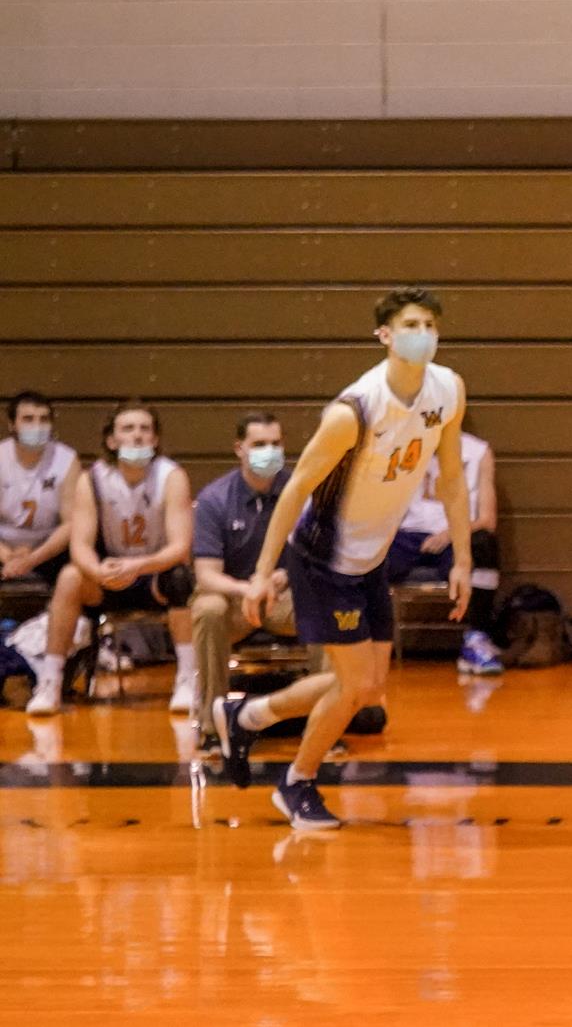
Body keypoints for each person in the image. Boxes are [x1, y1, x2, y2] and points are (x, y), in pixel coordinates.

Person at [213, 287, 471, 830]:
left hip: (370, 557)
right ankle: (297, 783)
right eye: (409, 323)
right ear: (384, 335)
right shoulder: (354, 410)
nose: (421, 332)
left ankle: (247, 714)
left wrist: (462, 560)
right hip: (324, 560)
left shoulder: (448, 389)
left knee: (368, 688)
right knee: (354, 686)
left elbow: (450, 476)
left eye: (429, 323)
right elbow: (294, 489)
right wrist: (262, 574)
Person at [29, 401, 196, 717]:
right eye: (128, 429)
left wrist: (139, 566)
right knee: (69, 577)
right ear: (111, 440)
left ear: (156, 439)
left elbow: (180, 548)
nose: (137, 436)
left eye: (145, 429)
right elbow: (80, 546)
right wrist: (98, 571)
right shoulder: (93, 479)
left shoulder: (171, 476)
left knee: (181, 578)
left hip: (154, 574)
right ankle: (49, 683)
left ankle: (187, 680)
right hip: (110, 575)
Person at [189, 412, 298, 739]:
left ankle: (323, 722)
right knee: (208, 609)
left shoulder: (299, 492)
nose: (269, 450)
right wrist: (245, 588)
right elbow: (206, 575)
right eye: (260, 444)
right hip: (233, 598)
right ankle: (212, 725)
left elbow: (316, 555)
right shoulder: (215, 498)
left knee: (323, 604)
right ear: (240, 449)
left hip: (281, 597)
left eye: (275, 443)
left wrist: (286, 575)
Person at [384, 428, 504, 675]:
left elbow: (487, 520)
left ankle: (476, 638)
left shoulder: (478, 451)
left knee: (485, 544)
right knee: (368, 552)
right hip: (411, 535)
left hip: (457, 535)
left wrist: (451, 533)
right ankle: (363, 641)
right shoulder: (405, 446)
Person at [0, 391, 81, 587]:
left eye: (44, 419)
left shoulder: (66, 459)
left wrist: (33, 558)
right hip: (4, 544)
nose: (37, 426)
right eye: (28, 419)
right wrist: (8, 556)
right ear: (12, 424)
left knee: (78, 559)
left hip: (49, 547)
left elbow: (70, 523)